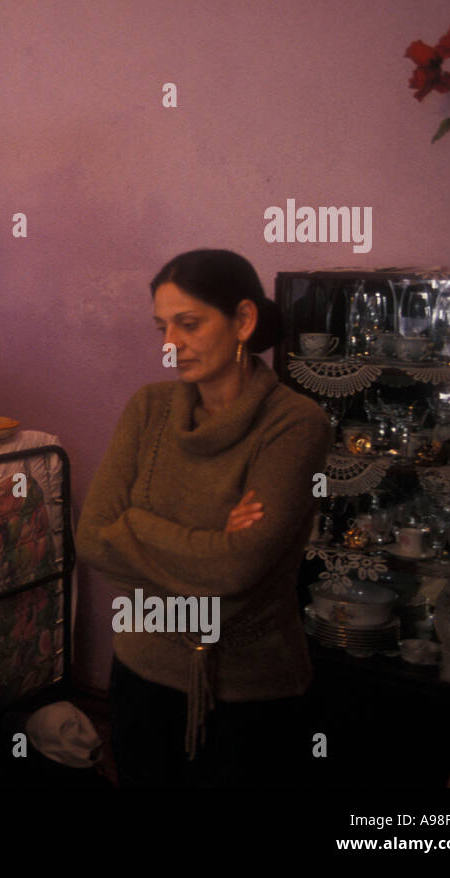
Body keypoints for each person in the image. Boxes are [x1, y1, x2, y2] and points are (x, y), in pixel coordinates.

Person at [76, 249, 331, 787]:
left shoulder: (296, 424)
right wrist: (209, 543)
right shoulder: (148, 408)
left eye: (188, 324)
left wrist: (135, 526)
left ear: (243, 320)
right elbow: (93, 539)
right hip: (140, 672)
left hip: (251, 692)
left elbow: (237, 572)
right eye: (162, 327)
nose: (170, 345)